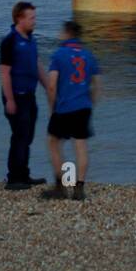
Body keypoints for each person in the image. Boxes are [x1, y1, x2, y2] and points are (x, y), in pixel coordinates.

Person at [41, 21, 100, 201]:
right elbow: (97, 85)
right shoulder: (89, 56)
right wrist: (90, 105)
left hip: (64, 107)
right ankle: (79, 188)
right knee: (80, 145)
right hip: (83, 106)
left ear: (67, 33)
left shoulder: (59, 55)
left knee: (53, 143)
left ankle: (60, 186)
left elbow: (51, 86)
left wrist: (52, 108)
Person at [0, 1, 49, 190]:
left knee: (28, 135)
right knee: (19, 135)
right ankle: (13, 178)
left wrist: (48, 87)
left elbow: (36, 65)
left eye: (34, 17)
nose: (34, 21)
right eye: (31, 18)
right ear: (20, 18)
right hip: (16, 96)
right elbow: (4, 72)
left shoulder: (31, 39)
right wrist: (10, 99)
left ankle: (24, 174)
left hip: (30, 94)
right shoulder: (10, 41)